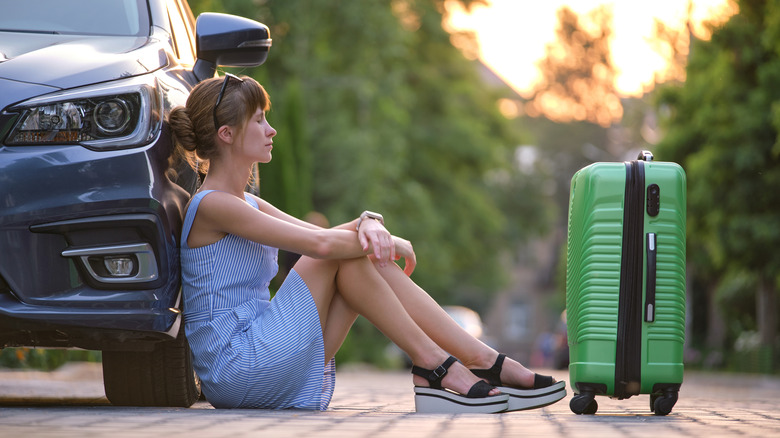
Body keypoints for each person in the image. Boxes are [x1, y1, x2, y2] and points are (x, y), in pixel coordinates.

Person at [167, 73, 566, 413]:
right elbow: (321, 246)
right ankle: (448, 363)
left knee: (356, 259)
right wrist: (379, 239)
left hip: (263, 356)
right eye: (259, 121)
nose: (271, 130)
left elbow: (329, 238)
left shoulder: (246, 202)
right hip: (239, 365)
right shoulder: (214, 205)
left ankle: (470, 361)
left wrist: (371, 224)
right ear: (227, 134)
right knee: (345, 256)